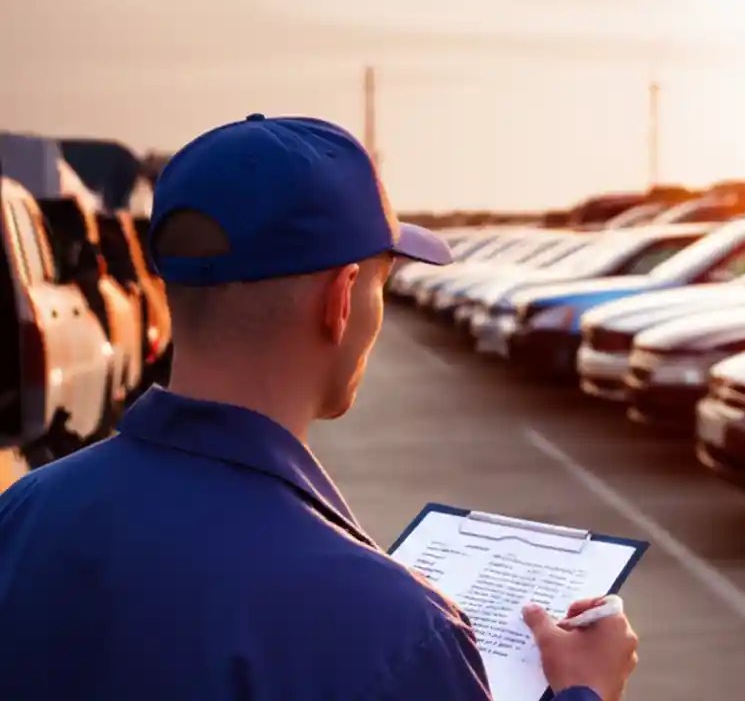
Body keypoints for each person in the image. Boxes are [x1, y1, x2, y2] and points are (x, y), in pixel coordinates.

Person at [0, 115, 638, 700]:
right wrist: (584, 691)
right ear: (340, 300)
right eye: (380, 286)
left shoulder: (23, 515)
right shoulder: (395, 629)